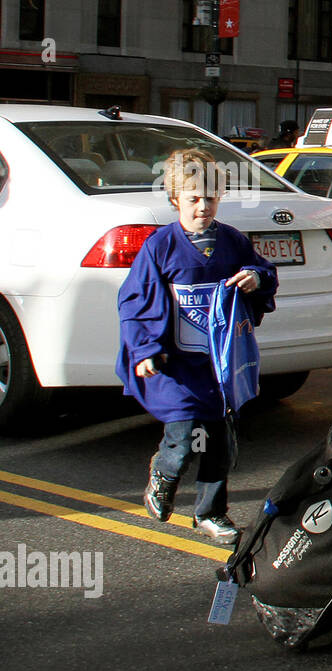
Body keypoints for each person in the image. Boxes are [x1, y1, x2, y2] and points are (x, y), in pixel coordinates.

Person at [117, 148, 278, 545]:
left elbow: (263, 272)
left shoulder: (232, 242)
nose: (202, 206)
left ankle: (209, 512)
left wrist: (256, 278)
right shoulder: (161, 247)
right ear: (175, 200)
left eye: (210, 198)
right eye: (192, 199)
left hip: (219, 362)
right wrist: (144, 350)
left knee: (220, 441)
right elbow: (135, 301)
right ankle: (164, 471)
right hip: (177, 365)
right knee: (186, 435)